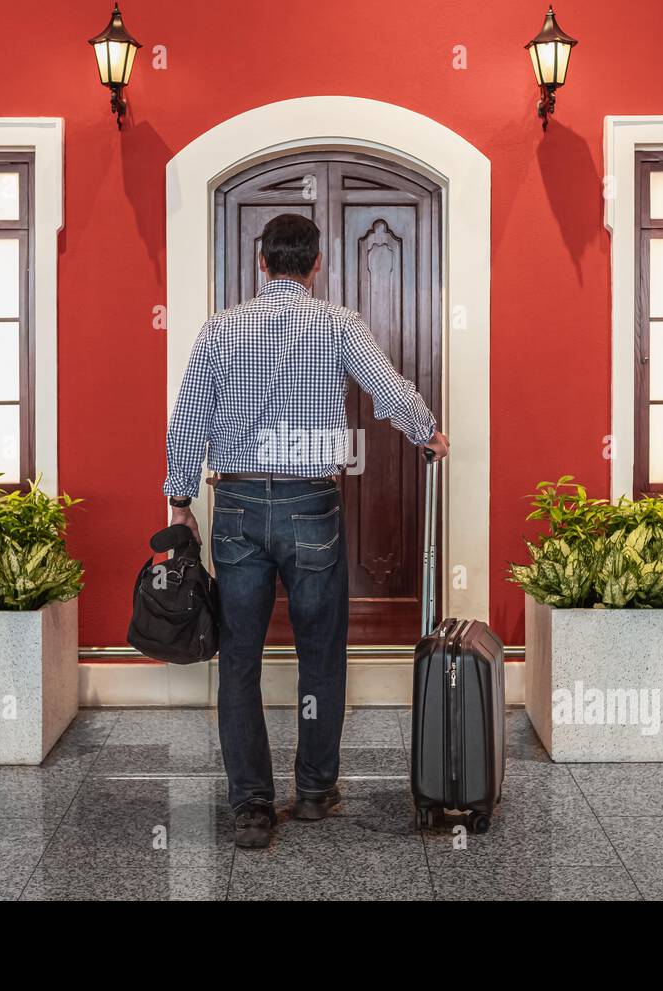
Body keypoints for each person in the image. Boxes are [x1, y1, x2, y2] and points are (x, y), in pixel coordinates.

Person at [163, 213, 449, 848]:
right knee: (322, 651)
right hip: (310, 505)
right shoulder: (338, 323)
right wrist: (426, 429)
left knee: (239, 657)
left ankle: (252, 809)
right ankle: (316, 791)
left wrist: (180, 501)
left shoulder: (219, 329)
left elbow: (187, 418)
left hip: (235, 502)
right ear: (316, 265)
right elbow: (386, 389)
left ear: (261, 262)